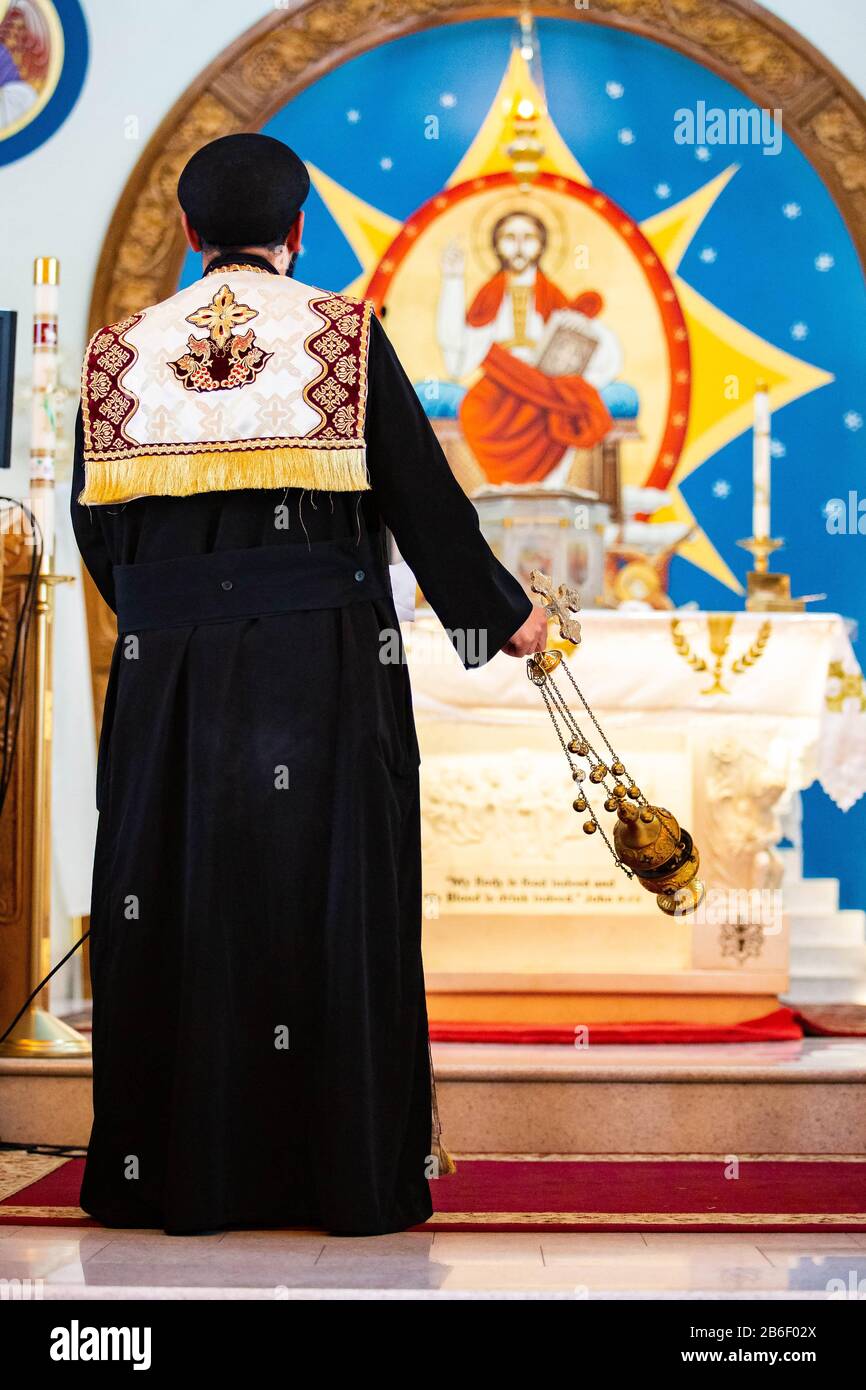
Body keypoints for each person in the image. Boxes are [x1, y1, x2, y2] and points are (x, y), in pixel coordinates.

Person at [71, 133, 547, 1237]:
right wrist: (502, 613)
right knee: (325, 898)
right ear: (297, 233)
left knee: (181, 896)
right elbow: (423, 503)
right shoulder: (341, 335)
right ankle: (338, 1175)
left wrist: (174, 617)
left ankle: (173, 1175)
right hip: (323, 668)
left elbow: (96, 535)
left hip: (168, 682)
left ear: (189, 233)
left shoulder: (118, 354)